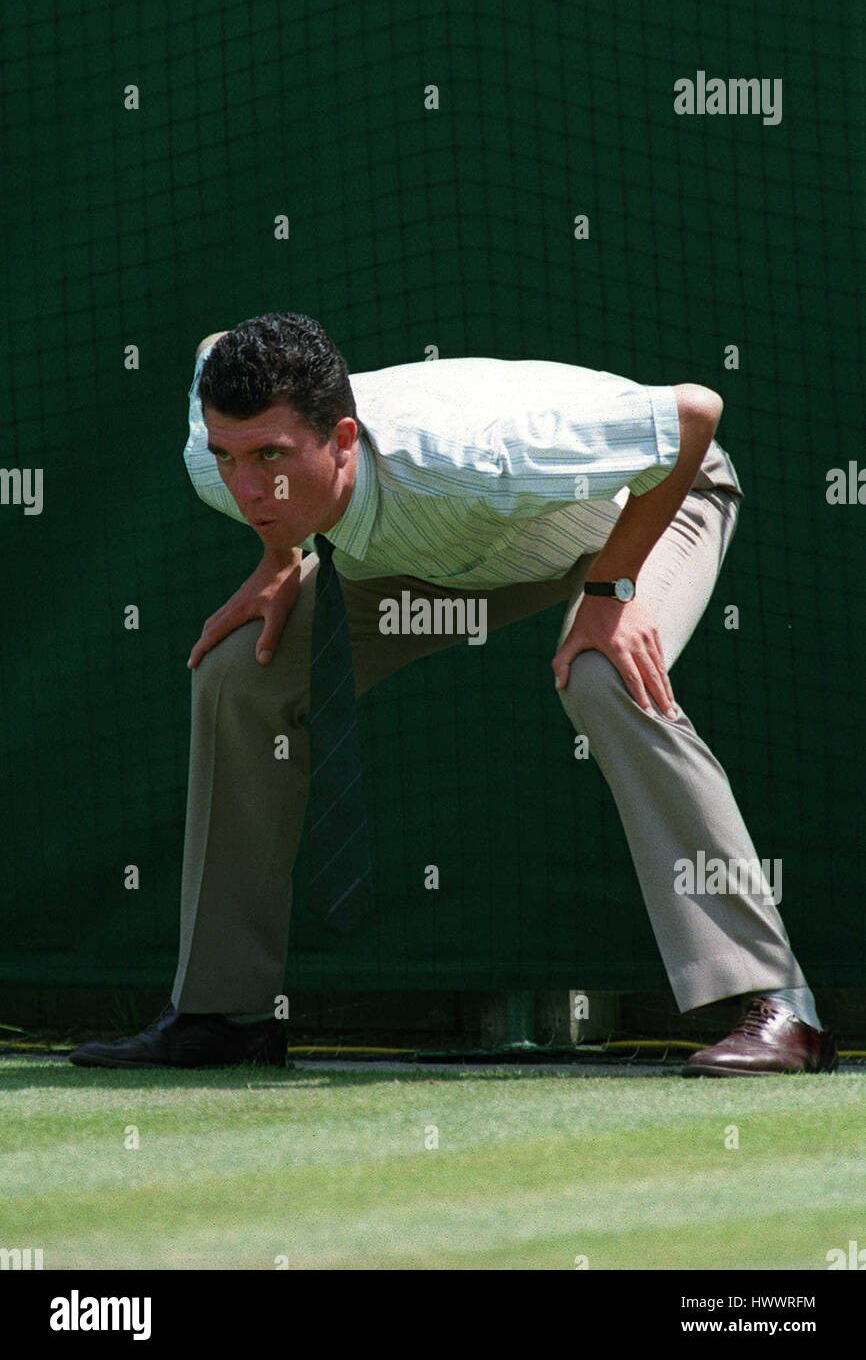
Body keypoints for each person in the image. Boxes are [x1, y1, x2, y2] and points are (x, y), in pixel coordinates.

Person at [69, 312, 837, 1076]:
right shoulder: (222, 453)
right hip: (449, 550)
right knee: (240, 673)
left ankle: (784, 1007)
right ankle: (223, 1016)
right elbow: (214, 351)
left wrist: (612, 588)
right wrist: (279, 553)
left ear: (342, 440)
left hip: (636, 509)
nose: (246, 485)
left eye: (270, 456)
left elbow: (694, 413)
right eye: (229, 458)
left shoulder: (474, 453)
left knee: (606, 678)